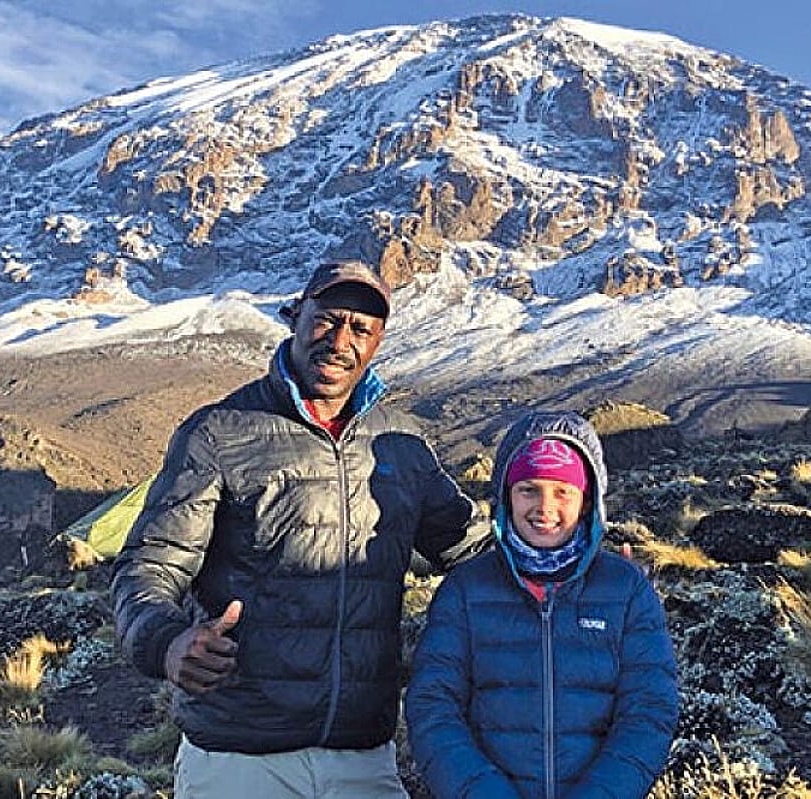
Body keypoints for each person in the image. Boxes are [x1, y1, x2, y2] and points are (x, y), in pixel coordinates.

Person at [112, 260, 487, 799]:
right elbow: (148, 566)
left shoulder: (401, 446)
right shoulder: (218, 433)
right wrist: (168, 642)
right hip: (239, 755)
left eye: (361, 329)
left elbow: (473, 550)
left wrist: (586, 571)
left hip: (362, 754)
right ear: (295, 317)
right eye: (327, 319)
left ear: (378, 342)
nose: (340, 340)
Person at [405, 410, 679, 798]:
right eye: (528, 489)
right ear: (506, 495)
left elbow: (650, 708)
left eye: (563, 491)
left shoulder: (626, 589)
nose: (544, 507)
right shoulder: (465, 589)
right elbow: (433, 705)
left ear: (587, 501)